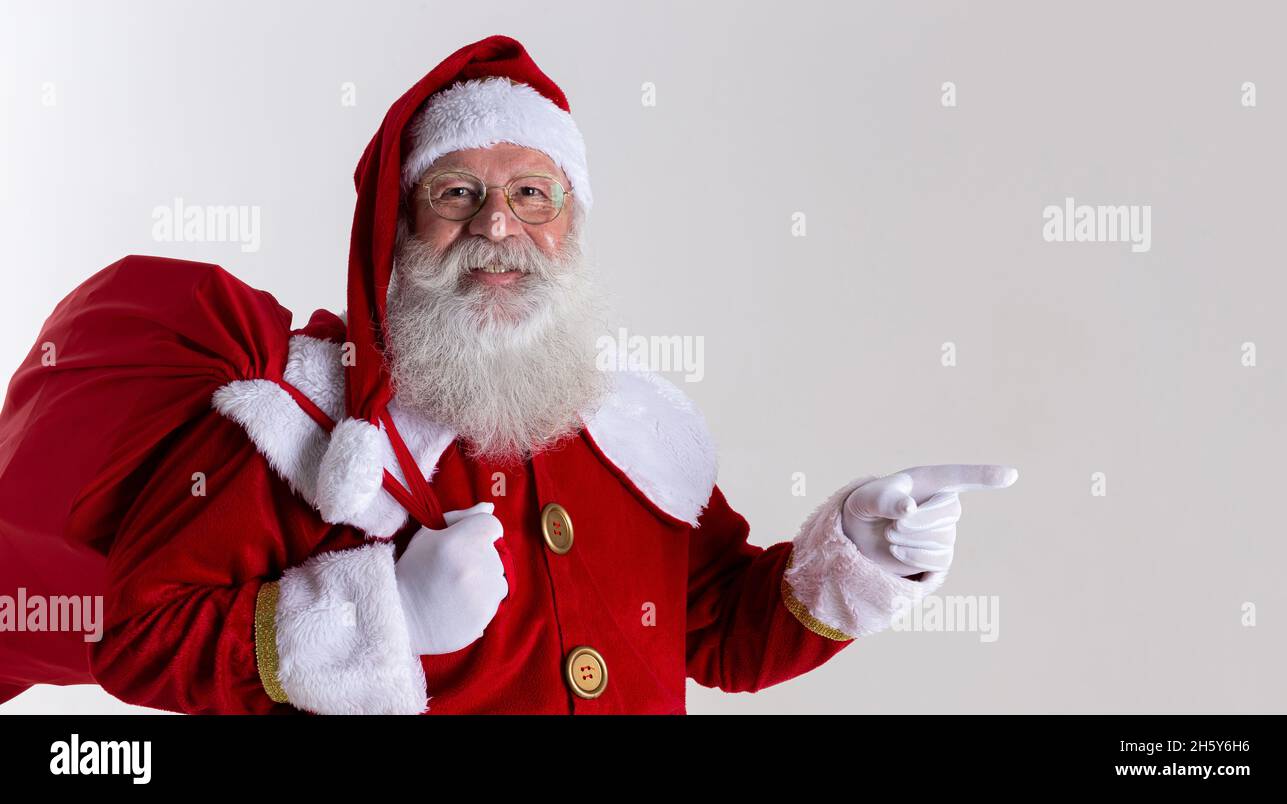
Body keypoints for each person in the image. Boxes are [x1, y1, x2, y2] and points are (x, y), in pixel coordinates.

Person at [87, 35, 1016, 714]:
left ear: (571, 225)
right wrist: (388, 616)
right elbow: (137, 640)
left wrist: (860, 548)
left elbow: (722, 633)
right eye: (457, 194)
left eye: (532, 193)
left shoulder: (637, 429)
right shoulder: (303, 417)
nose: (498, 227)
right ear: (398, 231)